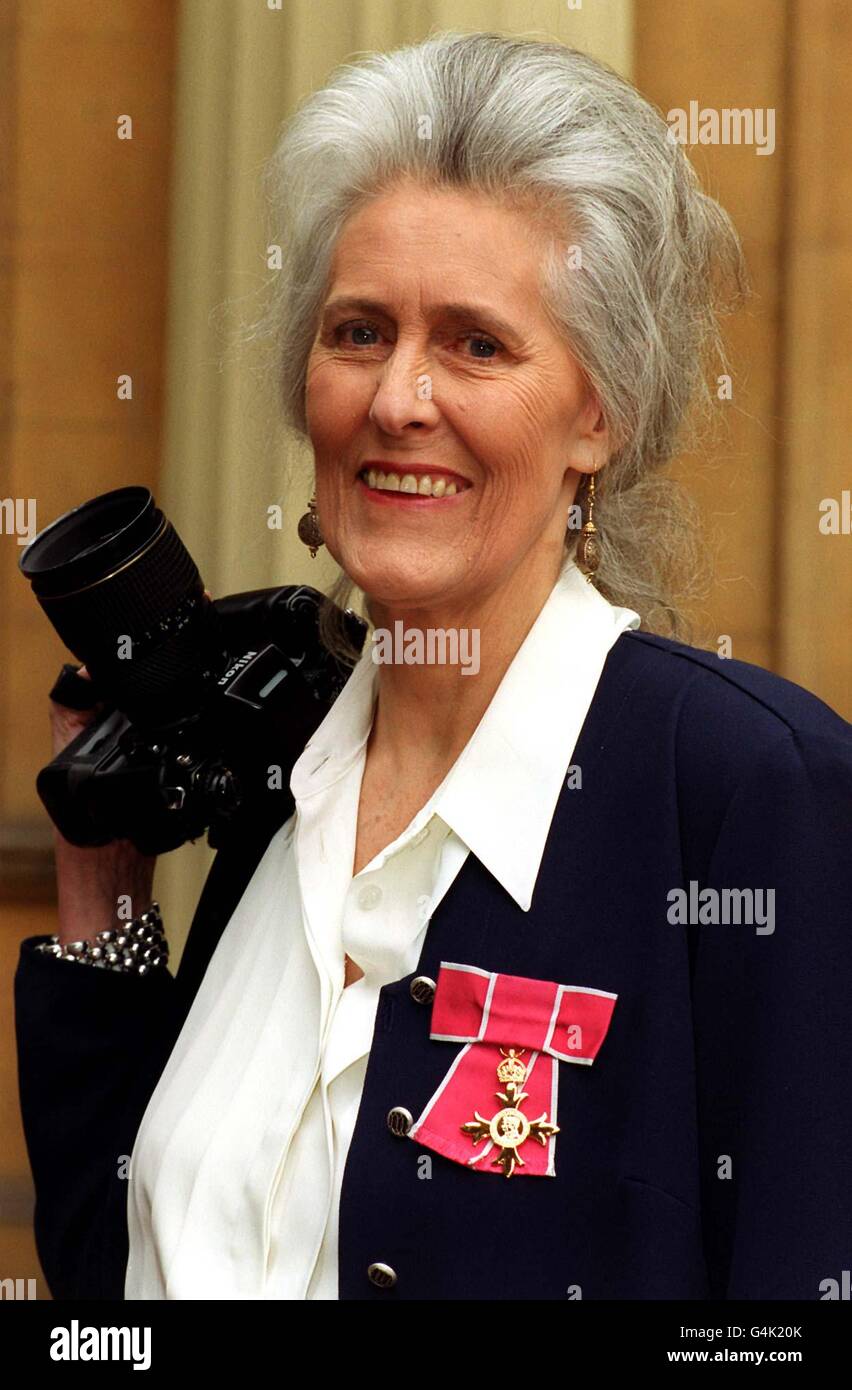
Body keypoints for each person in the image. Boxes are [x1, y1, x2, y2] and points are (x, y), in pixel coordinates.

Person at [15, 31, 852, 1301]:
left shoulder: (748, 790)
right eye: (360, 331)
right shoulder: (284, 778)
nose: (400, 399)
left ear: (599, 413)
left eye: (475, 344)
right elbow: (116, 1285)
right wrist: (104, 888)